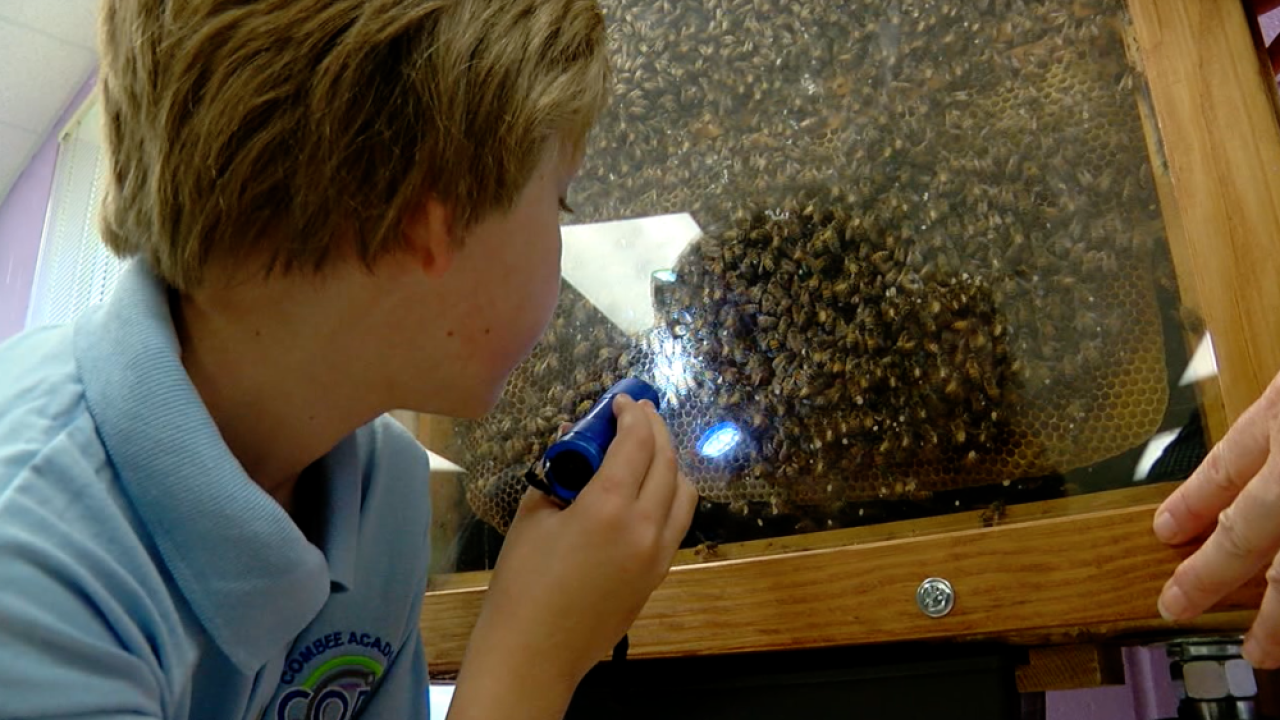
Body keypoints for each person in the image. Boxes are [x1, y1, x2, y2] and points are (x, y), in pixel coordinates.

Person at [0, 1, 697, 718]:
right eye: (559, 201)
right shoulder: (32, 565)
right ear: (429, 216)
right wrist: (533, 656)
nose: (559, 230)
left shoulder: (381, 493)